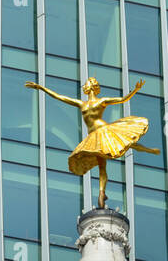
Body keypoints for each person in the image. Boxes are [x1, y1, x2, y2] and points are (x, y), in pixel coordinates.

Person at [25, 75, 159, 208]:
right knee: (105, 164)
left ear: (92, 86)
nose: (85, 85)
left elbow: (122, 100)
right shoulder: (82, 103)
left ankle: (148, 150)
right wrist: (41, 88)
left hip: (103, 130)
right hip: (94, 136)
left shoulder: (99, 101)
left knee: (128, 143)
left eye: (88, 82)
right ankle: (101, 193)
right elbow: (60, 97)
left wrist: (135, 90)